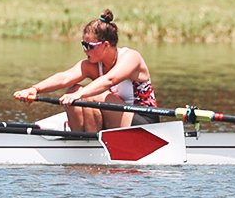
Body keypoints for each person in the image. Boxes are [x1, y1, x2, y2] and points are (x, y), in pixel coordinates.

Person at [13, 10, 158, 130]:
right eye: (83, 44)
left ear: (106, 45)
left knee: (95, 95)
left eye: (89, 46)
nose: (85, 50)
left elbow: (109, 80)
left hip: (145, 122)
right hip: (118, 121)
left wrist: (81, 94)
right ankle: (82, 141)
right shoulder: (92, 65)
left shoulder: (131, 57)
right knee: (73, 90)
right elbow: (64, 77)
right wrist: (35, 89)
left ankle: (88, 143)